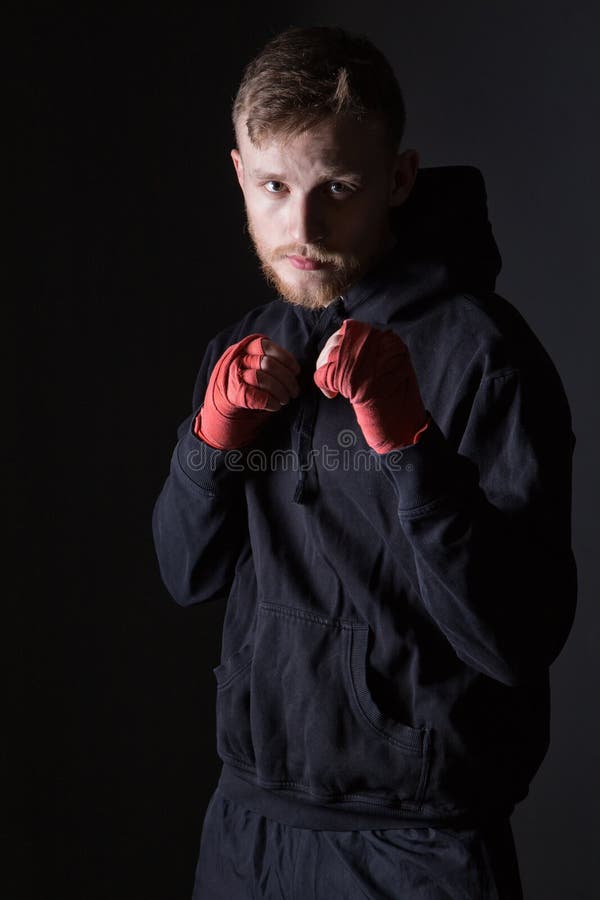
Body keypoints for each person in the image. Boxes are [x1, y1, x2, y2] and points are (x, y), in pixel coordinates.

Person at [151, 24, 577, 899]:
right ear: (240, 174)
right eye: (275, 187)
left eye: (337, 188)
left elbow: (517, 641)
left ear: (398, 179)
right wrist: (209, 444)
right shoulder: (243, 348)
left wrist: (412, 445)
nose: (302, 228)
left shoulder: (483, 357)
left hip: (417, 846)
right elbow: (184, 574)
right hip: (246, 828)